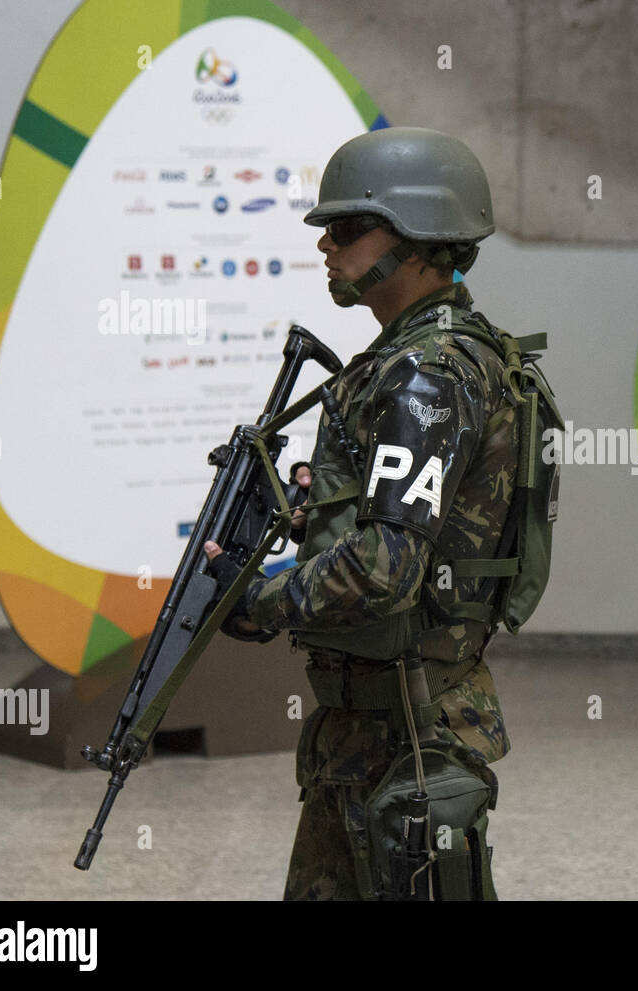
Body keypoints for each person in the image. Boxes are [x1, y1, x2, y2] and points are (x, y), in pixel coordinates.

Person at [202, 127, 514, 900]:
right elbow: (411, 525)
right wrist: (323, 513)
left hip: (406, 735)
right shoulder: (435, 357)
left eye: (345, 229)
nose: (326, 247)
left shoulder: (425, 376)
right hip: (375, 728)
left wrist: (259, 599)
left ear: (414, 238)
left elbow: (386, 568)